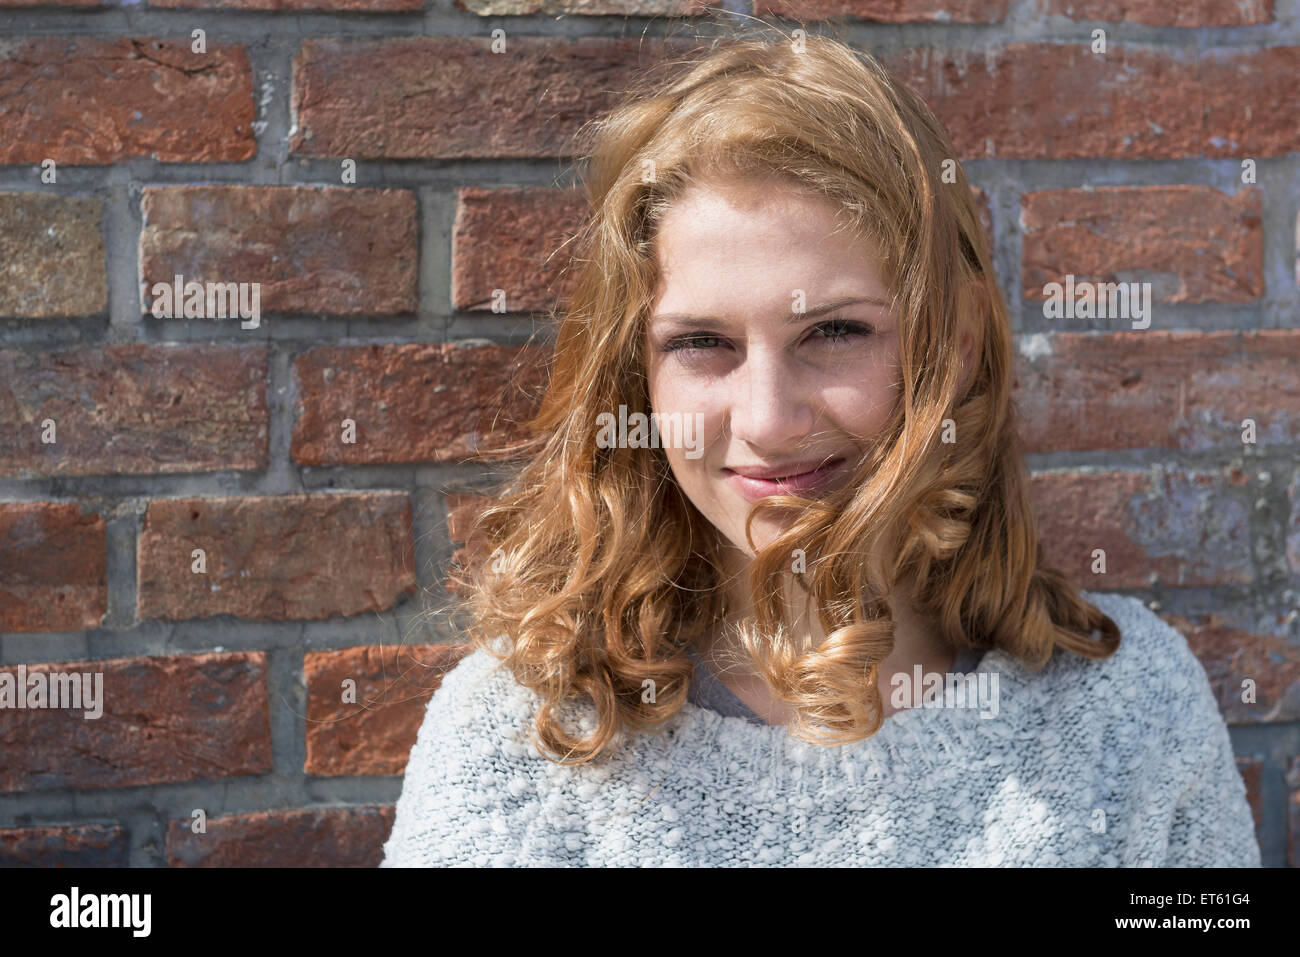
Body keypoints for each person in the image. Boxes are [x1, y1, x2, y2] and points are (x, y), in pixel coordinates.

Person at [380, 29, 1260, 867]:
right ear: (636, 372)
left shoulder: (1129, 711)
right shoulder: (521, 736)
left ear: (950, 347)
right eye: (701, 343)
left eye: (833, 331)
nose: (767, 420)